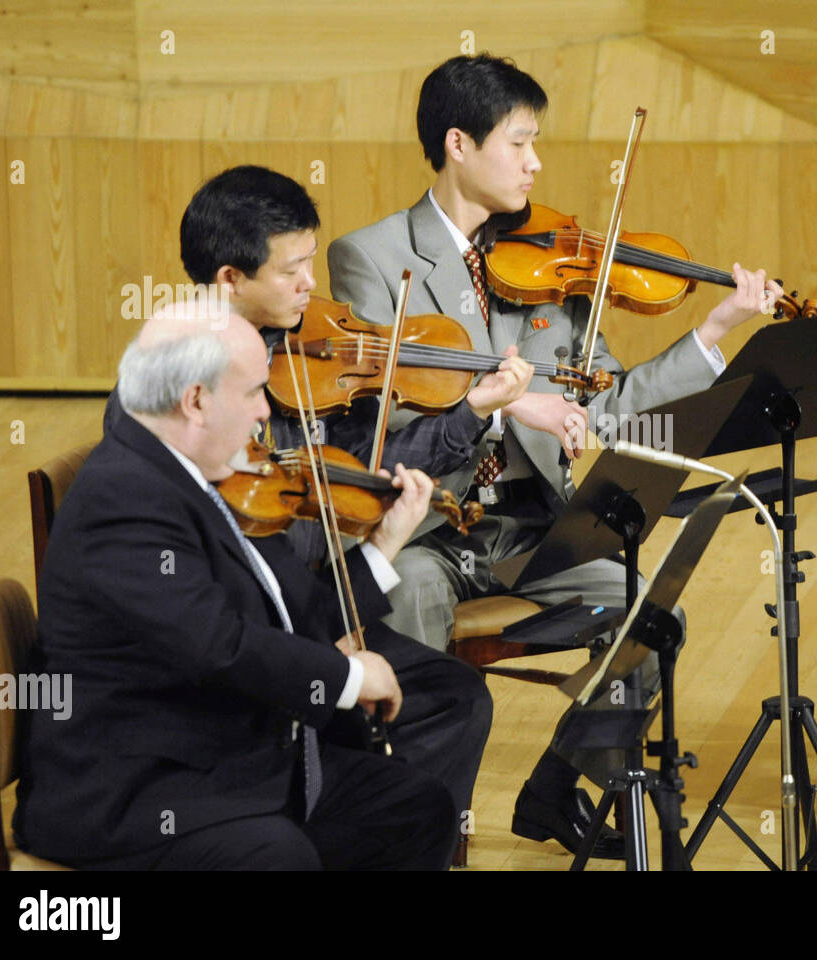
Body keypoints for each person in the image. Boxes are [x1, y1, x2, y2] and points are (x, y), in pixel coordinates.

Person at [328, 53, 783, 857]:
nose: (537, 164)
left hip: (530, 528)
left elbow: (602, 399)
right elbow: (391, 407)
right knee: (417, 630)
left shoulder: (550, 261)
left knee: (655, 616)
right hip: (427, 525)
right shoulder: (370, 257)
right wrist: (505, 411)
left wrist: (713, 332)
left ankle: (554, 788)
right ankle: (425, 838)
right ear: (459, 143)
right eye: (521, 143)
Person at [103, 165, 520, 841]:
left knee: (453, 696)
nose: (309, 285)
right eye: (291, 269)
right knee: (367, 710)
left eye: (310, 263)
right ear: (230, 282)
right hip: (251, 628)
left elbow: (363, 470)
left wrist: (469, 411)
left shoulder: (307, 360)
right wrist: (333, 655)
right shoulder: (170, 398)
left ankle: (399, 839)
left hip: (311, 597)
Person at [15, 312, 455, 869]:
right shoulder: (123, 498)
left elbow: (294, 615)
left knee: (415, 808)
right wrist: (346, 677)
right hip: (139, 794)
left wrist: (383, 544)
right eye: (253, 392)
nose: (265, 411)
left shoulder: (209, 474)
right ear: (195, 401)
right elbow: (217, 644)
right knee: (280, 858)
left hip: (227, 754)